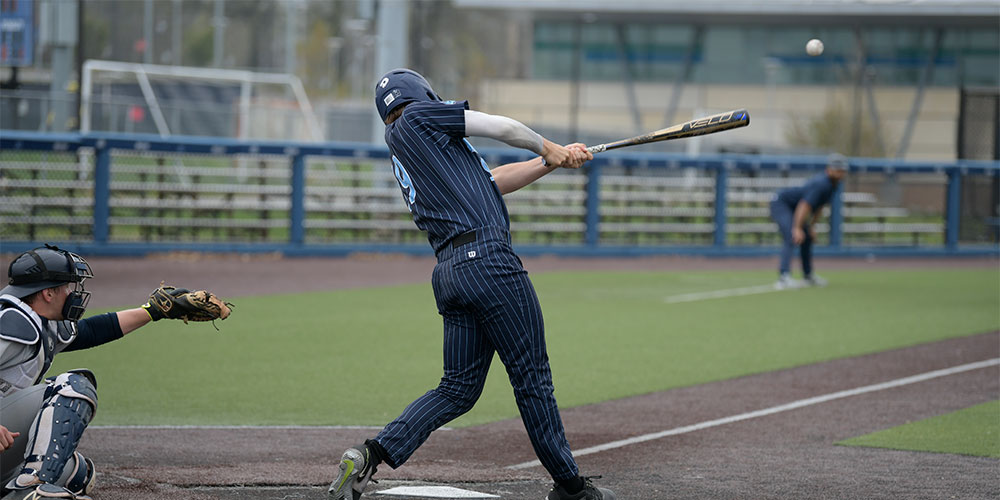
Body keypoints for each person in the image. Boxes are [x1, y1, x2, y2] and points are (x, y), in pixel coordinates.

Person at [327, 69, 615, 500]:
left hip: (451, 272)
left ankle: (372, 452)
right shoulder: (422, 117)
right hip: (490, 264)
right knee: (532, 377)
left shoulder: (406, 148)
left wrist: (549, 160)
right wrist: (547, 144)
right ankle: (570, 487)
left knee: (457, 388)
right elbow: (504, 127)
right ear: (420, 94)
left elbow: (493, 182)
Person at [0, 245, 230, 500]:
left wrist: (154, 311)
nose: (73, 293)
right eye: (67, 287)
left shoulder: (37, 321)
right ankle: (36, 486)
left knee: (75, 474)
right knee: (72, 386)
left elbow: (93, 331)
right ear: (48, 293)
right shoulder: (13, 322)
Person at [769, 154, 849, 289]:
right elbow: (804, 205)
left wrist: (811, 227)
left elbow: (818, 207)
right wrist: (796, 228)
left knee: (807, 239)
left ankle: (808, 276)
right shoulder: (822, 183)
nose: (840, 173)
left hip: (796, 209)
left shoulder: (833, 185)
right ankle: (784, 278)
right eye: (837, 169)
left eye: (842, 170)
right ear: (829, 169)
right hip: (782, 204)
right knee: (791, 236)